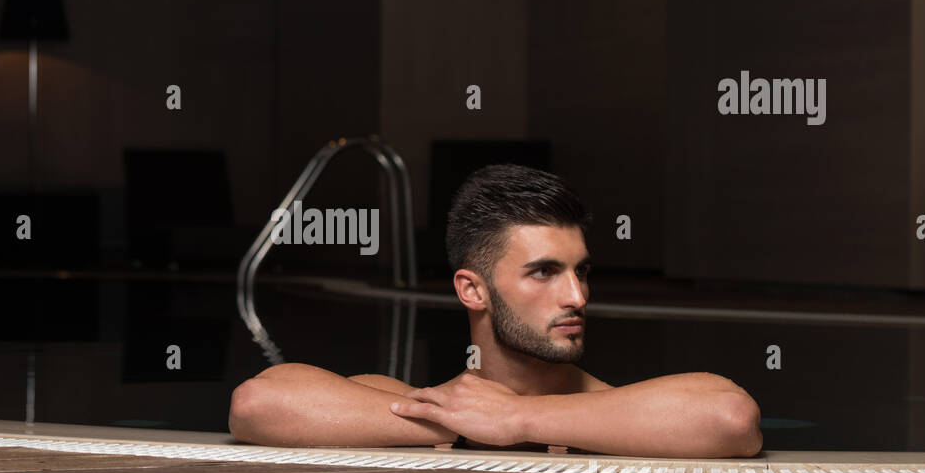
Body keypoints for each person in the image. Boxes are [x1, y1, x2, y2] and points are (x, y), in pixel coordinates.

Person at [228, 164, 763, 458]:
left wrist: (516, 419)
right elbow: (258, 403)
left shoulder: (618, 412)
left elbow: (729, 417)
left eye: (581, 272)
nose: (576, 296)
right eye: (544, 272)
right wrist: (460, 427)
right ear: (472, 290)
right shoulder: (419, 409)